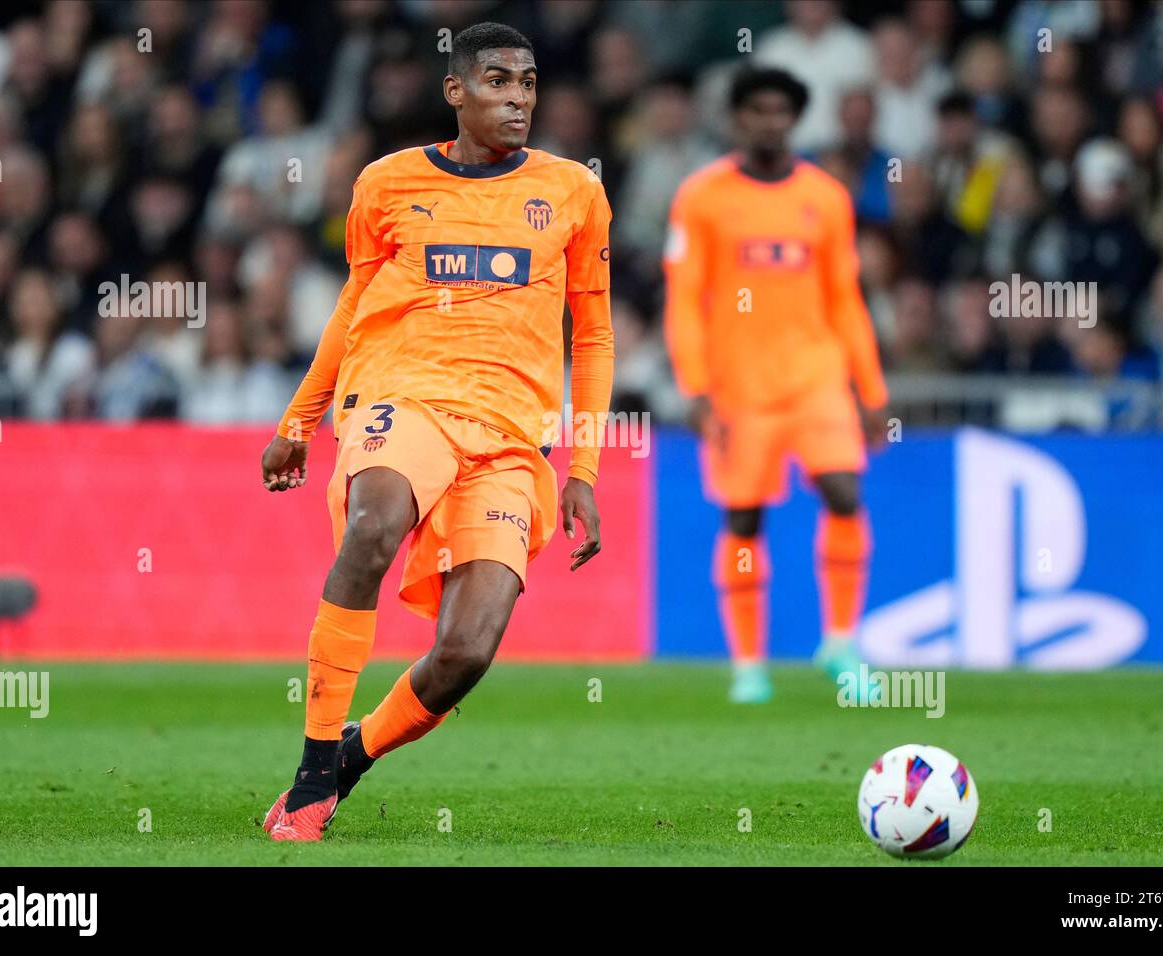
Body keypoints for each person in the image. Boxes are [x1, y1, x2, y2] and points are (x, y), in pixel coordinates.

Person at [259, 22, 614, 841]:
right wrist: (299, 420)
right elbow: (353, 308)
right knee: (375, 524)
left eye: (527, 83)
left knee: (465, 654)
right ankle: (313, 766)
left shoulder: (572, 193)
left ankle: (350, 760)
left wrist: (585, 470)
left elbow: (592, 336)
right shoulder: (386, 184)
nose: (517, 98)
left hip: (509, 435)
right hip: (404, 397)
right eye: (497, 81)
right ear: (456, 92)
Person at [664, 67, 887, 704]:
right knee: (744, 518)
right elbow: (684, 299)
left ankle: (840, 643)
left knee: (844, 492)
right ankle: (749, 664)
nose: (770, 121)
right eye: (758, 110)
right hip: (740, 389)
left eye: (781, 111)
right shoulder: (702, 197)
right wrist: (697, 385)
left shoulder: (826, 197)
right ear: (739, 118)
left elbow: (845, 300)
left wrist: (871, 390)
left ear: (795, 119)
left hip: (817, 378)